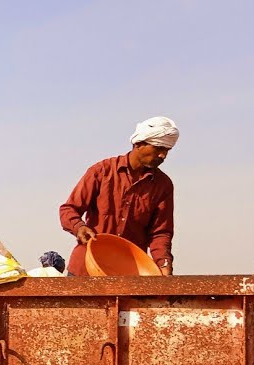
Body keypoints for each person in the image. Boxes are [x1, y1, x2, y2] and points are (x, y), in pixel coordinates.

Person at [60, 116, 179, 277]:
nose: (163, 155)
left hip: (128, 273)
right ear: (139, 144)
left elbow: (160, 232)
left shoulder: (163, 185)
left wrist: (164, 263)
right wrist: (79, 227)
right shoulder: (102, 171)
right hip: (86, 268)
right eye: (159, 148)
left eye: (167, 151)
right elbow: (68, 209)